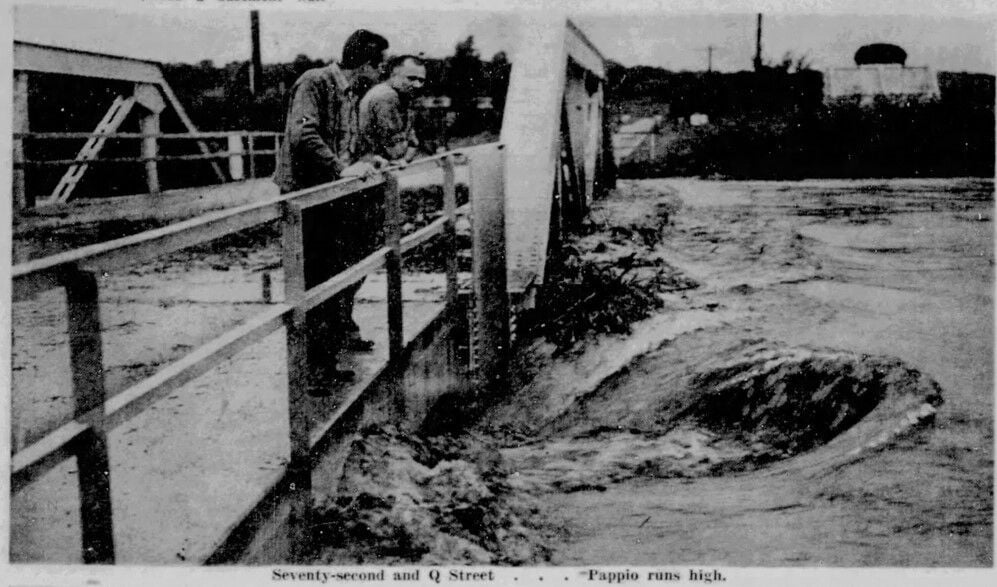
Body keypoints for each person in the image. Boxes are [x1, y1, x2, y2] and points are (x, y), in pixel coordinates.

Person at [274, 29, 389, 391]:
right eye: (381, 64)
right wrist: (342, 170)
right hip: (306, 201)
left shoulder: (350, 93)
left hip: (328, 198)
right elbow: (303, 136)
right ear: (366, 63)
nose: (383, 72)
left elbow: (344, 144)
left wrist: (367, 161)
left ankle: (323, 364)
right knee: (313, 284)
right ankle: (310, 373)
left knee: (332, 280)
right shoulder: (315, 82)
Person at [357, 54, 427, 165]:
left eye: (421, 80)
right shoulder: (387, 96)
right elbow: (395, 151)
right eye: (411, 78)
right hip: (371, 166)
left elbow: (413, 142)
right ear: (394, 75)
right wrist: (404, 157)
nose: (417, 85)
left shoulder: (403, 97)